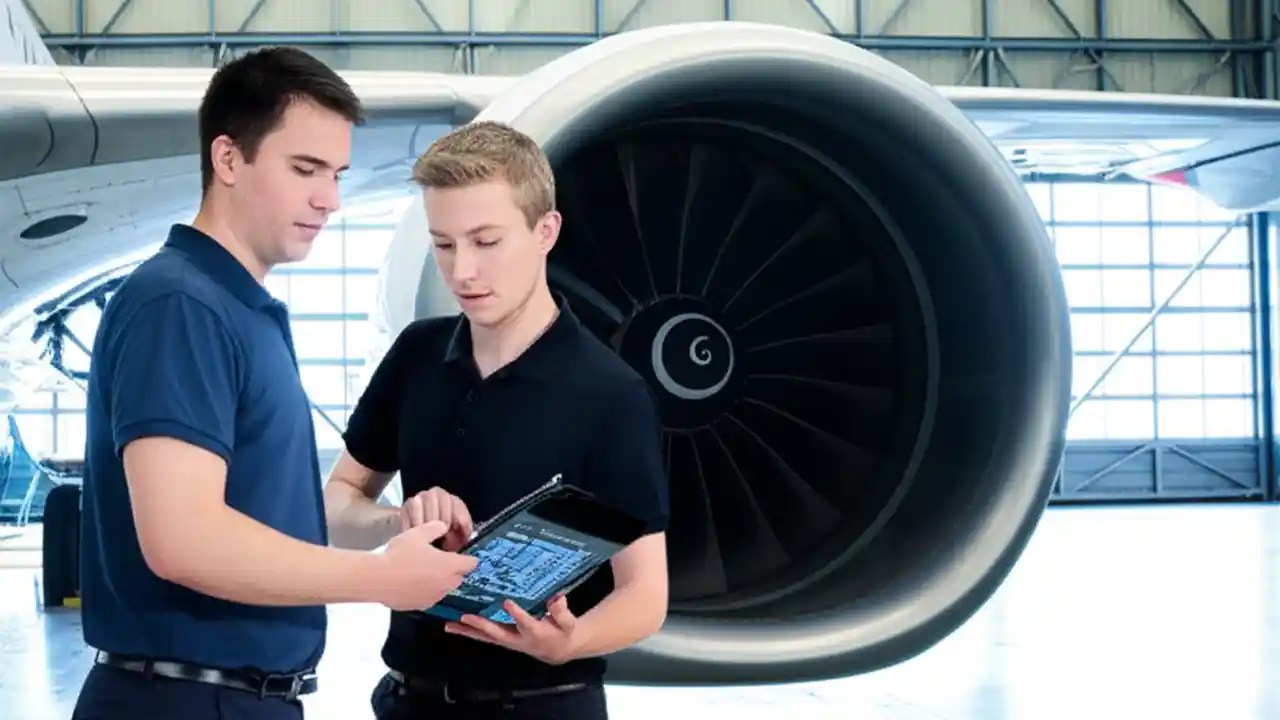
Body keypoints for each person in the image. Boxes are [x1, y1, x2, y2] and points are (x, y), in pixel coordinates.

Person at [72, 47, 477, 720]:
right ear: (228, 159)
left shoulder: (240, 311)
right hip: (184, 699)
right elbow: (183, 540)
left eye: (338, 174)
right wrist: (380, 580)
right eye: (306, 169)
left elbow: (275, 524)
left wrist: (393, 526)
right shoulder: (181, 305)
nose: (330, 198)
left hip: (236, 696)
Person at [323, 121, 671, 719]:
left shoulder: (610, 394)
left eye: (486, 241)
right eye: (444, 243)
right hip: (408, 702)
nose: (461, 272)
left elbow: (646, 592)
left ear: (546, 232)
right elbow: (335, 508)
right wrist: (396, 521)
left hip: (542, 704)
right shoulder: (416, 356)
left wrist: (570, 642)